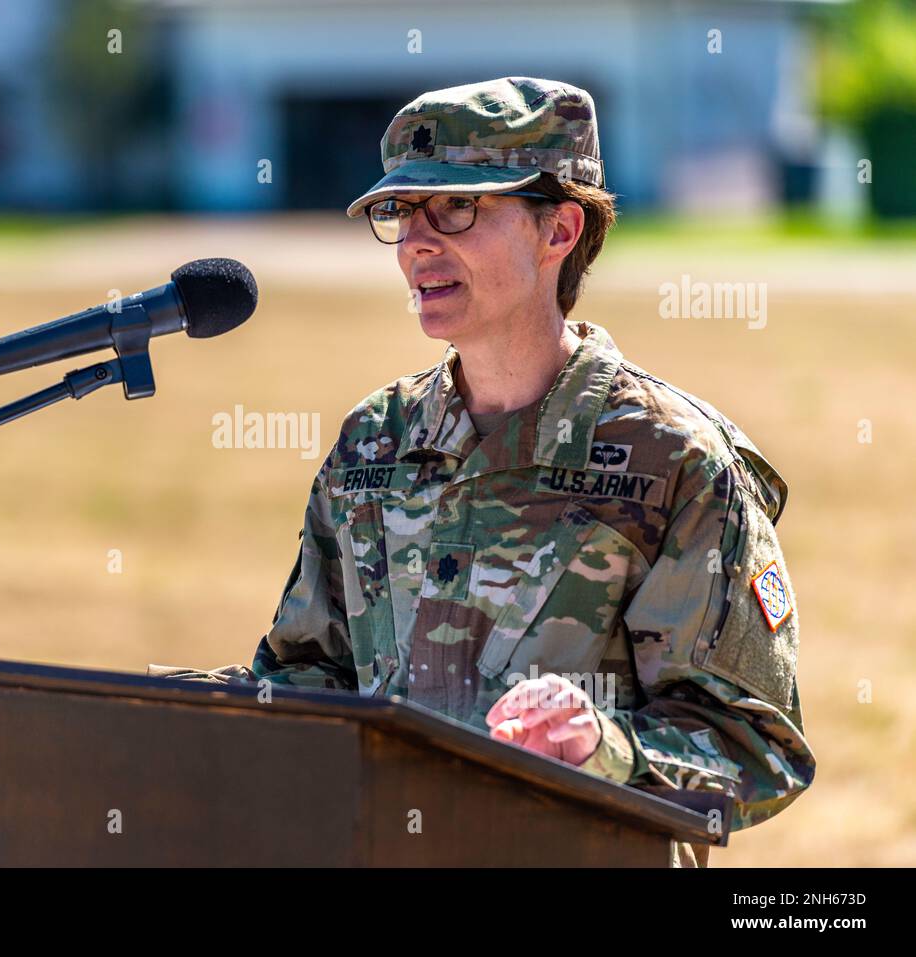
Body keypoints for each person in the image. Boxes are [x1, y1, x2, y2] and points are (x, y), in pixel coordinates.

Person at [241, 77, 815, 866]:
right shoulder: (373, 443)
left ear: (559, 230)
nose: (415, 242)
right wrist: (166, 712)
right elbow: (310, 677)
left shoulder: (675, 459)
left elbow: (753, 746)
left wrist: (606, 746)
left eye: (457, 209)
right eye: (400, 212)